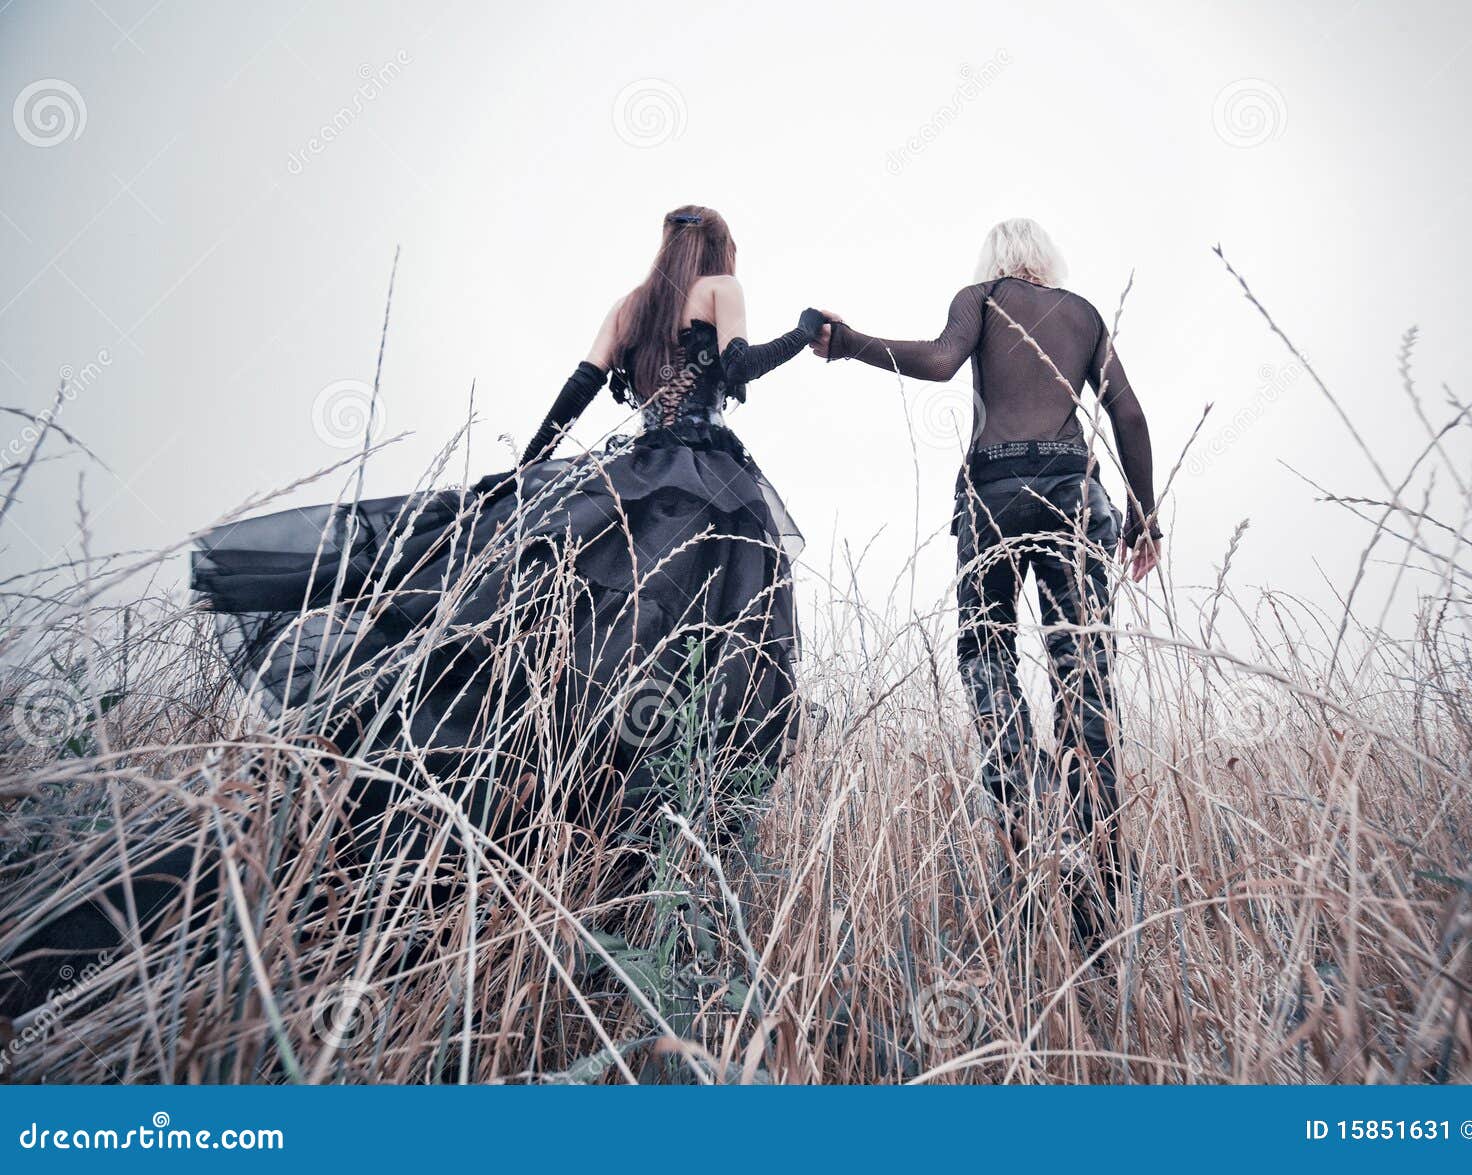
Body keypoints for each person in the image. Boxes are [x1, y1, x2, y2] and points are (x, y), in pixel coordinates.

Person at [1, 205, 823, 1016]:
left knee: (549, 653)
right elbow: (741, 371)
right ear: (717, 247)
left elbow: (573, 397)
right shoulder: (721, 285)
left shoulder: (631, 308)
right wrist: (810, 331)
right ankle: (635, 884)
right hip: (702, 503)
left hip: (624, 480)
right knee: (702, 672)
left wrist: (516, 486)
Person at [813, 217, 1159, 946]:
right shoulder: (1086, 314)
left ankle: (1023, 849)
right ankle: (1095, 897)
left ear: (996, 261)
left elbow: (941, 362)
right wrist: (1144, 518)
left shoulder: (981, 297)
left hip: (992, 493)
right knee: (1084, 679)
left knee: (988, 663)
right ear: (1047, 261)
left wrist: (846, 344)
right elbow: (1126, 410)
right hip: (1072, 490)